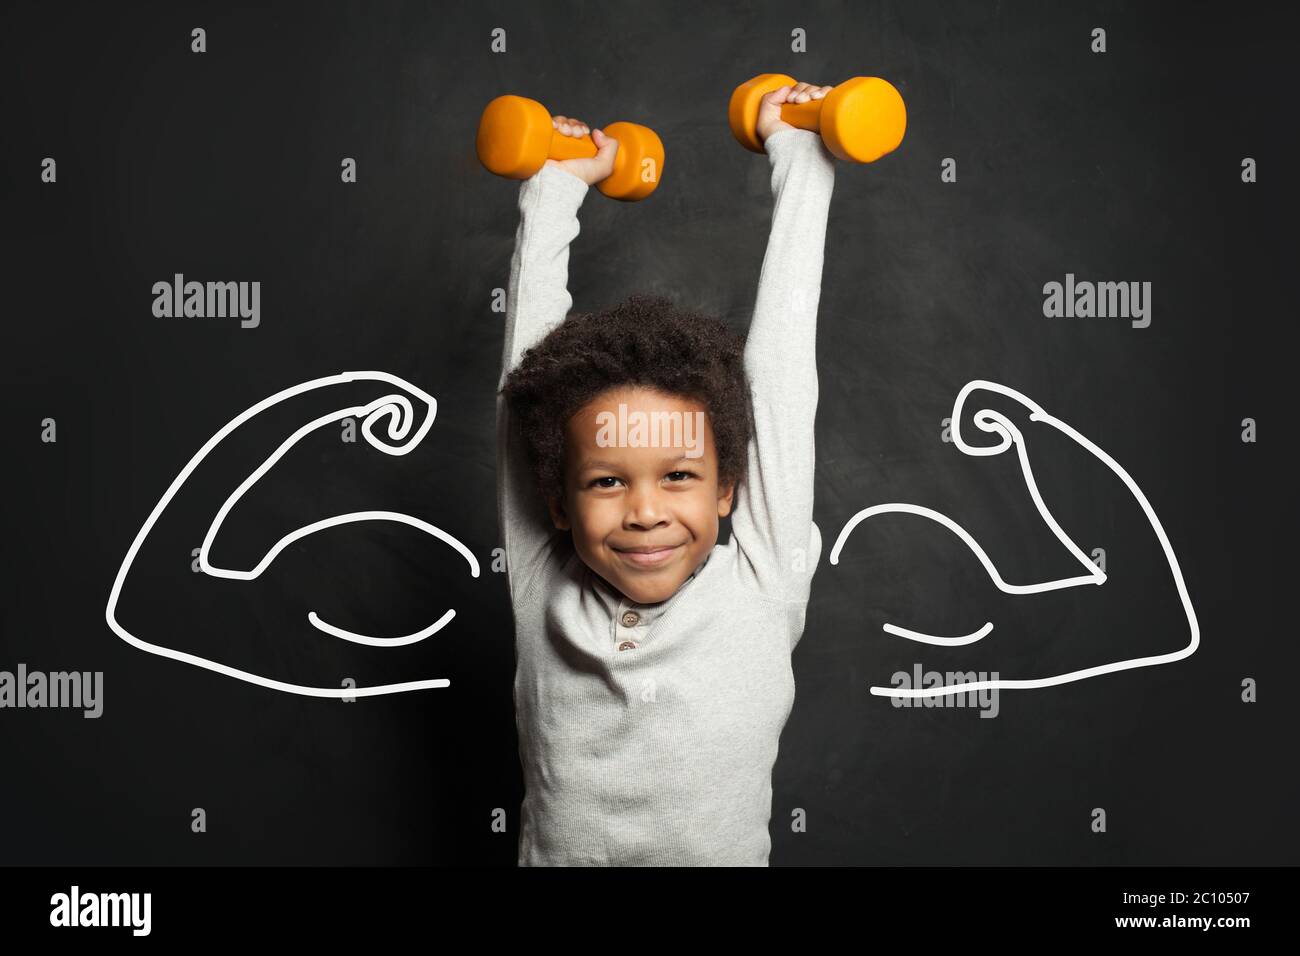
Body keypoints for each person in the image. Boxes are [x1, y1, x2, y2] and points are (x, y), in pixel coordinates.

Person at [496, 83, 836, 864]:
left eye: (679, 476)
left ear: (728, 490)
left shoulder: (760, 580)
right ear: (557, 501)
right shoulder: (543, 587)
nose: (645, 511)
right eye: (607, 482)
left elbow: (784, 377)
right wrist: (553, 185)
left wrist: (801, 153)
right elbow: (524, 398)